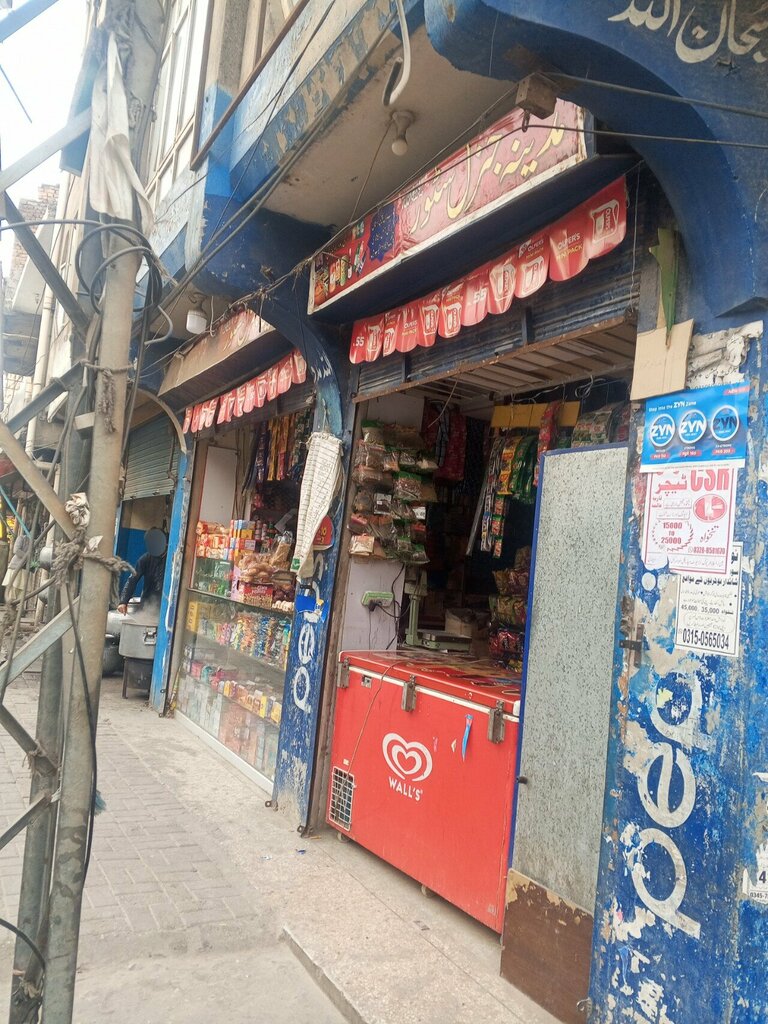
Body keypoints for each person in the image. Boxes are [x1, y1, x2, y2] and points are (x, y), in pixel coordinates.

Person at [117, 528, 167, 614]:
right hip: (147, 603)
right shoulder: (145, 559)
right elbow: (132, 579)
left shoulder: (172, 558)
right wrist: (123, 601)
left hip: (165, 605)